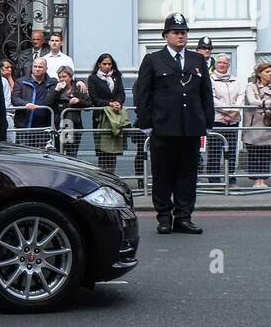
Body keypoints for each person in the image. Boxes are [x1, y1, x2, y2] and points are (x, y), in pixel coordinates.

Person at [134, 13, 214, 234]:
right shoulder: (153, 59)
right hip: (164, 126)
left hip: (190, 127)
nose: (181, 36)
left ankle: (183, 217)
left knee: (188, 175)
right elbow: (143, 93)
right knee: (163, 174)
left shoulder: (197, 60)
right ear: (166, 35)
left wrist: (208, 121)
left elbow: (205, 93)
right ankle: (164, 217)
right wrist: (146, 122)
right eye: (176, 32)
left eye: (184, 32)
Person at [242, 62, 271, 188]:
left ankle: (263, 179)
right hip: (254, 121)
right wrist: (269, 102)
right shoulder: (251, 86)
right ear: (260, 74)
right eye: (267, 72)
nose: (270, 74)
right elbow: (252, 101)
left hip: (268, 122)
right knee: (254, 152)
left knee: (266, 152)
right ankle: (256, 179)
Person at [87, 53, 126, 174]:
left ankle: (112, 175)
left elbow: (121, 93)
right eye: (104, 64)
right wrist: (109, 104)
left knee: (113, 149)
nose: (107, 66)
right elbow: (94, 98)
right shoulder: (93, 78)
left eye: (109, 64)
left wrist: (118, 102)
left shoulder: (116, 76)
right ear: (99, 64)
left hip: (115, 116)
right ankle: (104, 176)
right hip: (101, 117)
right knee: (102, 150)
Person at [207, 54, 242, 184]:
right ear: (215, 64)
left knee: (231, 152)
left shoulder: (235, 80)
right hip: (217, 119)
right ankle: (214, 180)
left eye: (225, 63)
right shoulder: (210, 80)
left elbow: (240, 96)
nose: (222, 65)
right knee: (215, 152)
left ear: (228, 65)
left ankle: (231, 178)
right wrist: (227, 111)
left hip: (233, 120)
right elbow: (211, 98)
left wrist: (234, 112)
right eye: (219, 62)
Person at [11, 57, 57, 147]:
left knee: (43, 155)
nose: (37, 69)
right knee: (25, 154)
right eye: (35, 66)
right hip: (24, 125)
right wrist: (26, 104)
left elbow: (67, 81)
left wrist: (79, 81)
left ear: (46, 69)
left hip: (44, 127)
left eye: (40, 67)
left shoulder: (51, 83)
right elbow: (14, 98)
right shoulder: (21, 82)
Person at [47, 65, 90, 158]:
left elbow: (89, 104)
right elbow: (47, 103)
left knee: (72, 155)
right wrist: (55, 91)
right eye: (60, 77)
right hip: (59, 126)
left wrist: (79, 101)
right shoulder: (55, 87)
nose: (62, 79)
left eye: (64, 77)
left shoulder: (78, 87)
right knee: (58, 155)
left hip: (74, 126)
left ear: (70, 77)